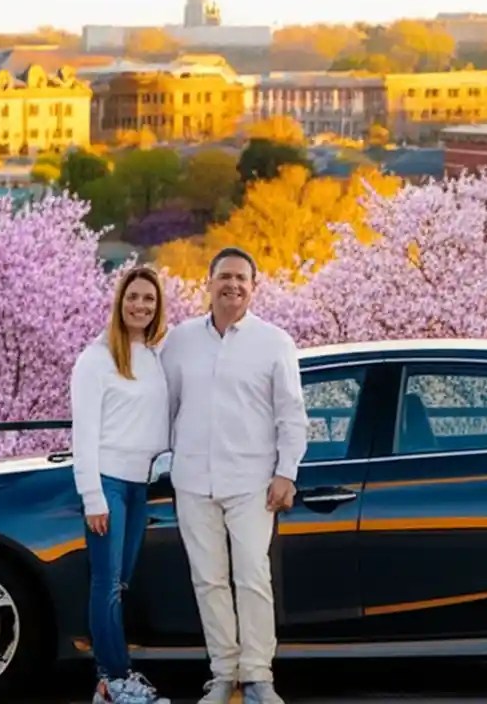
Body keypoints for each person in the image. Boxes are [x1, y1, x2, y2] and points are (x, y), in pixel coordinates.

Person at [161, 247, 308, 704]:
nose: (233, 285)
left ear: (254, 286)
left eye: (242, 278)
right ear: (208, 283)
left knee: (252, 576)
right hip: (191, 480)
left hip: (252, 482)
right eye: (224, 276)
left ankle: (259, 676)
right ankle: (223, 673)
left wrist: (286, 472)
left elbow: (292, 415)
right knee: (208, 579)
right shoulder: (181, 340)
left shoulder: (274, 342)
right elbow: (164, 407)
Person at [71, 266, 173, 704]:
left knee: (122, 583)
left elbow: (159, 421)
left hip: (139, 485)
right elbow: (84, 434)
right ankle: (114, 678)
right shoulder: (96, 359)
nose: (141, 306)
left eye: (149, 299)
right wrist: (93, 496)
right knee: (107, 584)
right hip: (108, 485)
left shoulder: (153, 355)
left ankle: (108, 684)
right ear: (120, 301)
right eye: (134, 297)